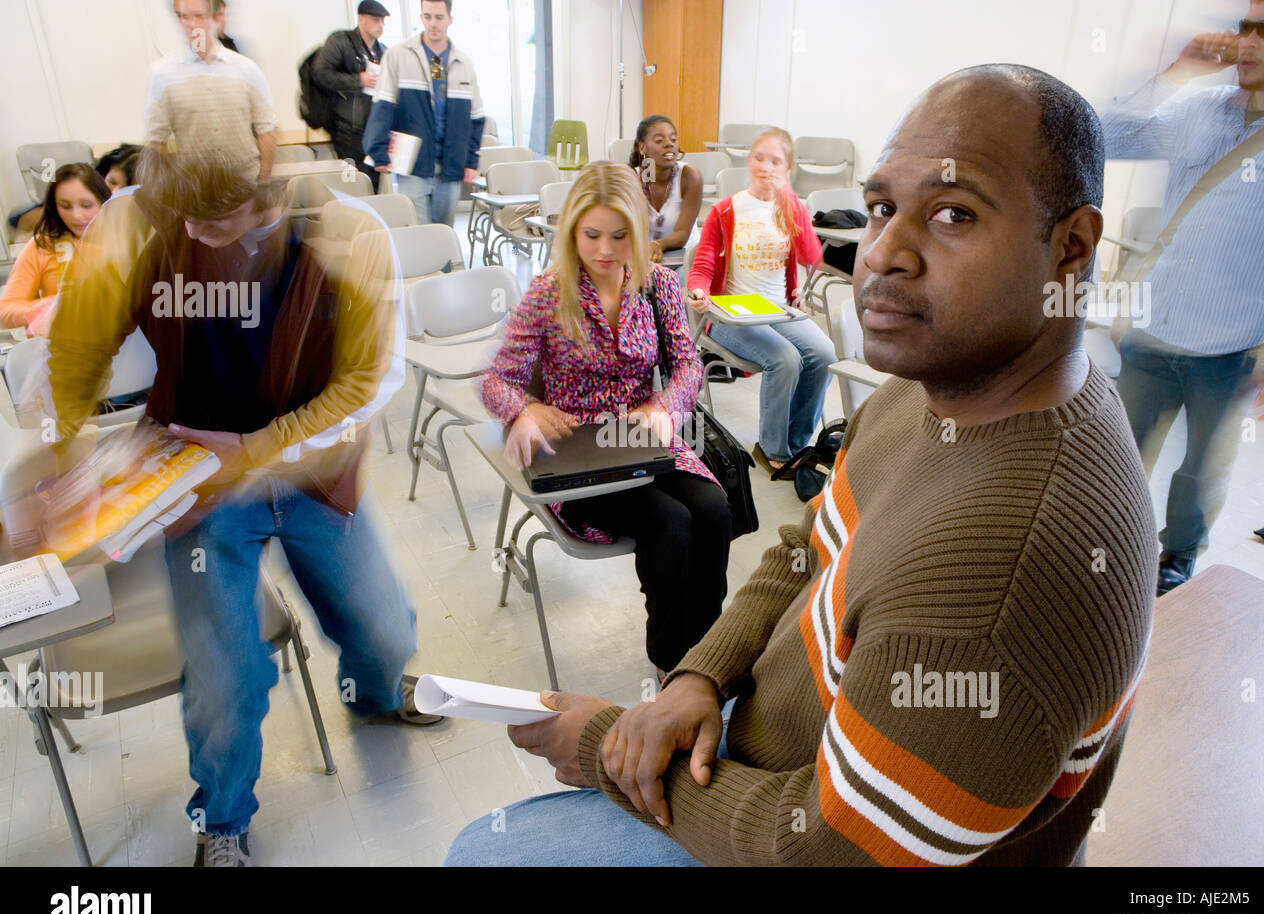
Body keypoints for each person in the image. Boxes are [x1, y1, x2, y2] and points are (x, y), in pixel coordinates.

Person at [445, 64, 1158, 867]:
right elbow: (806, 550)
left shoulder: (1006, 566)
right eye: (884, 206)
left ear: (1071, 248)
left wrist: (601, 745)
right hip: (757, 737)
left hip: (800, 825)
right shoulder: (923, 396)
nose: (883, 252)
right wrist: (700, 679)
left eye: (954, 214)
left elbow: (825, 851)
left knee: (483, 853)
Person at [44, 150, 429, 867]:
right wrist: (71, 454)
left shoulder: (350, 232)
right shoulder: (148, 226)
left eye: (209, 217)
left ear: (270, 194)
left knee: (382, 629)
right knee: (225, 678)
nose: (189, 226)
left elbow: (372, 383)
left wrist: (255, 449)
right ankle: (221, 819)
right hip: (201, 486)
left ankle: (375, 693)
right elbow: (79, 351)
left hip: (314, 471)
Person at [480, 161, 731, 676]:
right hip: (581, 452)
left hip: (642, 439)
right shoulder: (550, 293)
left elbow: (687, 366)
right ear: (572, 229)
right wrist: (525, 410)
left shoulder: (657, 284)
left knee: (713, 508)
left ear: (638, 234)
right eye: (591, 234)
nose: (604, 250)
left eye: (619, 236)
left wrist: (667, 406)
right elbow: (496, 381)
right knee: (670, 525)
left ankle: (708, 655)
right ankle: (672, 665)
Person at [1102, 0, 1264, 595]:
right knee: (1120, 458)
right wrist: (1174, 71)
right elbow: (1105, 135)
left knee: (1199, 474)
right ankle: (1106, 548)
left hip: (1233, 344)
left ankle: (1175, 563)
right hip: (1152, 330)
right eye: (1245, 25)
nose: (1249, 40)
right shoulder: (1198, 107)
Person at [686, 128, 835, 474]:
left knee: (824, 354)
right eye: (759, 157)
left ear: (788, 168)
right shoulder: (725, 210)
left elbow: (813, 256)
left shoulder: (791, 208)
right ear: (749, 160)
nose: (765, 166)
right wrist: (699, 291)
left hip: (777, 311)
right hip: (730, 315)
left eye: (775, 161)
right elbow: (704, 263)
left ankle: (797, 443)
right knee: (785, 359)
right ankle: (772, 449)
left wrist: (793, 206)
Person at [363, 0, 485, 226]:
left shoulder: (464, 64)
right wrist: (378, 150)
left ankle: (445, 264)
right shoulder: (399, 55)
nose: (432, 24)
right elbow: (383, 105)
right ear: (421, 17)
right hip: (414, 164)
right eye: (427, 17)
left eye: (439, 17)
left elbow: (476, 118)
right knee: (421, 234)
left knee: (443, 233)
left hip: (450, 164)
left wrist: (471, 161)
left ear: (450, 20)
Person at [145, 0, 276, 184]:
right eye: (184, 16)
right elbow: (156, 141)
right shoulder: (163, 74)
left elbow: (267, 130)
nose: (191, 24)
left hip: (245, 186)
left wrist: (263, 182)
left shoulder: (246, 69)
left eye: (199, 16)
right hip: (195, 191)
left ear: (216, 18)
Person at [0, 164, 109, 335]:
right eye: (65, 206)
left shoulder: (127, 242)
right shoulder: (43, 245)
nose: (76, 215)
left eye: (86, 205)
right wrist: (51, 305)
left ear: (106, 203)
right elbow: (4, 312)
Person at [314, 1, 390, 191]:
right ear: (361, 19)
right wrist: (358, 80)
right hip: (347, 131)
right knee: (352, 184)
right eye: (375, 20)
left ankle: (371, 219)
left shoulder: (383, 51)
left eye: (382, 21)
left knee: (373, 185)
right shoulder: (341, 42)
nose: (380, 26)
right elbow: (321, 74)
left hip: (374, 131)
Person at [628, 114, 702, 259]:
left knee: (680, 278)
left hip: (685, 257)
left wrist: (658, 244)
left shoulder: (690, 176)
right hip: (646, 257)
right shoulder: (631, 179)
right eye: (659, 140)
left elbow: (682, 235)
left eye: (673, 139)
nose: (669, 144)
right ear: (643, 147)